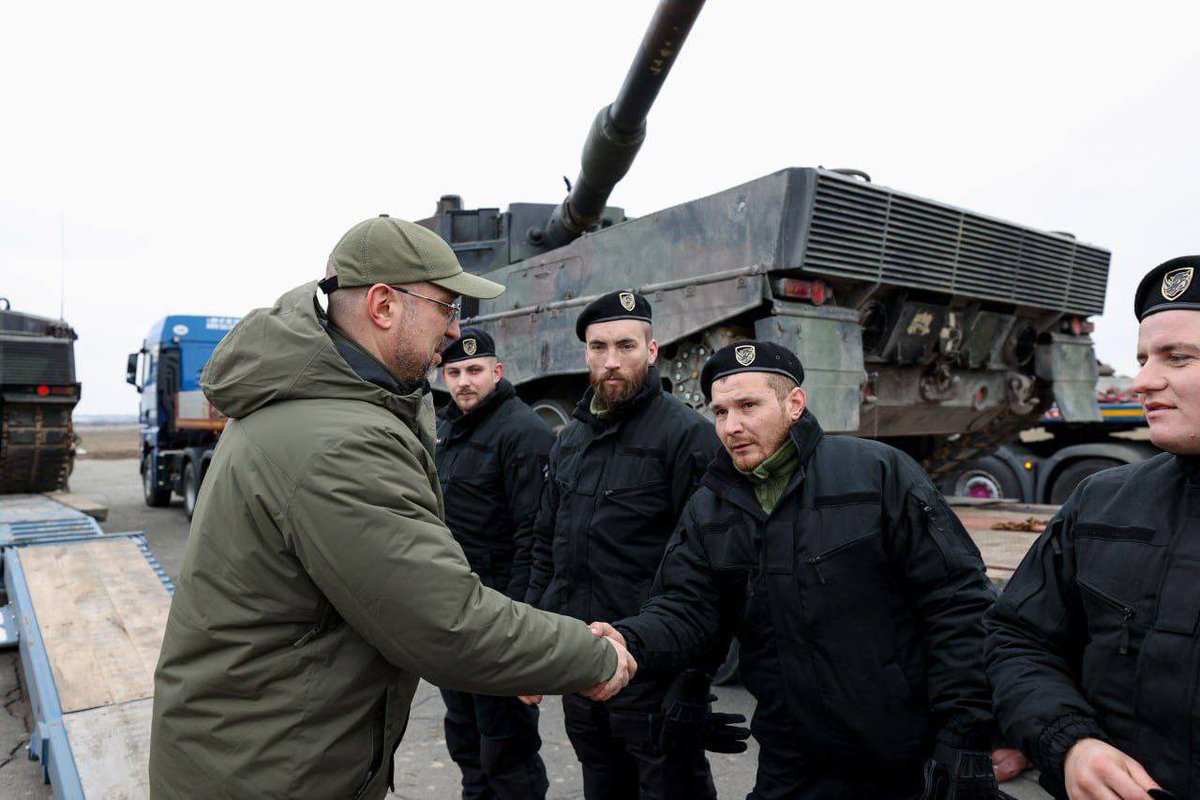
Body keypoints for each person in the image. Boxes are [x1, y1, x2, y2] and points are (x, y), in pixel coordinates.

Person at [149, 215, 636, 800]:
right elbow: (445, 622)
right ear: (383, 306)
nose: (454, 331)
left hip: (263, 754)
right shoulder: (337, 441)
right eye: (446, 309)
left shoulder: (324, 409)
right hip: (268, 771)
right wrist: (593, 657)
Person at [597, 339, 1015, 799]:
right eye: (720, 413)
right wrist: (633, 641)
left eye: (748, 406)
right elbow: (686, 608)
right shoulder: (710, 507)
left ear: (794, 403)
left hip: (903, 757)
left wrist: (966, 734)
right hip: (791, 759)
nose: (732, 426)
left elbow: (957, 602)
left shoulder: (876, 474)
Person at [985, 255, 1200, 800]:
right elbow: (1017, 637)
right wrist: (1069, 741)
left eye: (1178, 358)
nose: (1144, 380)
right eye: (1144, 358)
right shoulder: (1103, 500)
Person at [524, 289, 723, 800]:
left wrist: (693, 684)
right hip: (582, 667)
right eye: (599, 348)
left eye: (626, 346)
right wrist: (533, 648)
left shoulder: (687, 438)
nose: (612, 361)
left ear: (652, 351)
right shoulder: (570, 441)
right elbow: (547, 550)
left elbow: (715, 571)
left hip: (654, 676)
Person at [434, 327, 556, 799]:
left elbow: (535, 540)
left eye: (475, 371)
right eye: (455, 372)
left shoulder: (523, 432)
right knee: (466, 742)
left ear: (497, 371)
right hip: (455, 619)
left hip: (501, 621)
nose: (464, 382)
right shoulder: (445, 428)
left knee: (508, 750)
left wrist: (525, 634)